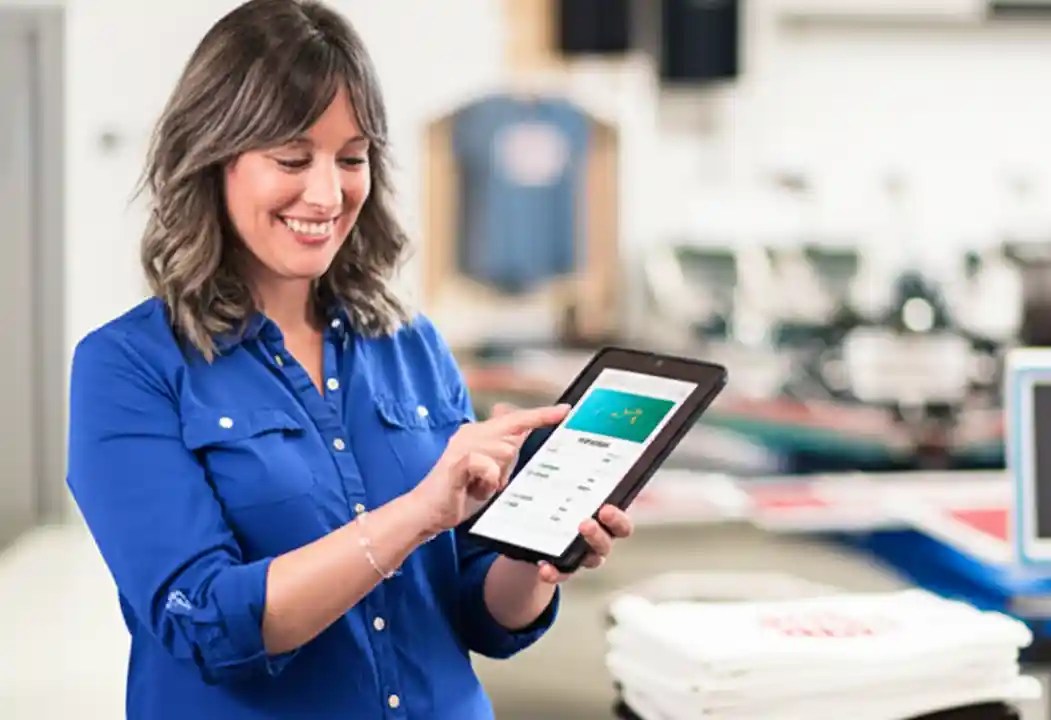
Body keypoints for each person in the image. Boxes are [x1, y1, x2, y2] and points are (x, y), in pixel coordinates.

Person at [65, 2, 634, 718]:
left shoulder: (410, 344)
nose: (329, 193)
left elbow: (473, 605)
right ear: (212, 157)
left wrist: (538, 556)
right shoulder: (127, 368)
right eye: (292, 159)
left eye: (352, 157)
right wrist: (417, 514)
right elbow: (203, 622)